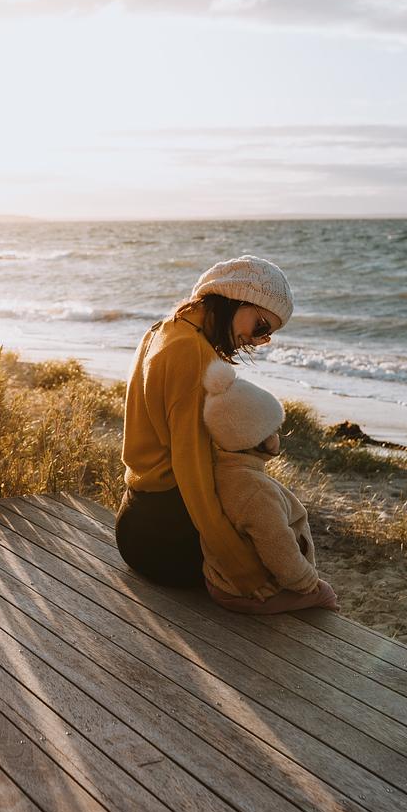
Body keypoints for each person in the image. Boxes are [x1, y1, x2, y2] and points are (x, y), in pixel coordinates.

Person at [116, 255, 294, 597]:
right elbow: (192, 474)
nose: (256, 340)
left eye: (266, 336)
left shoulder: (164, 329)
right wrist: (240, 568)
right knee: (281, 546)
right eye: (260, 327)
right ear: (236, 297)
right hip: (167, 536)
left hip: (139, 516)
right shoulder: (192, 352)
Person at [200, 358, 338, 613]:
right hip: (247, 593)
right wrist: (309, 583)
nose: (278, 437)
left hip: (217, 580)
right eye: (272, 431)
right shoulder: (256, 491)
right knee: (326, 595)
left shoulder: (222, 470)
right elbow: (278, 548)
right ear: (252, 439)